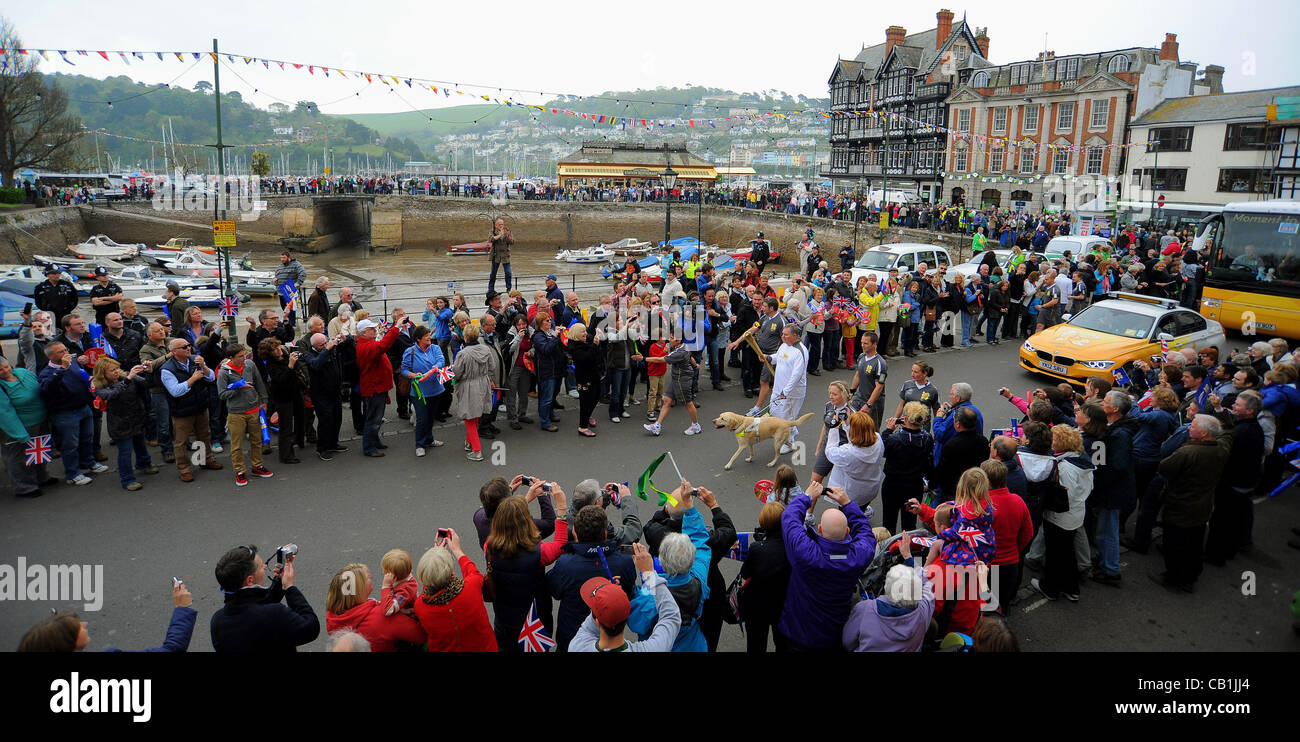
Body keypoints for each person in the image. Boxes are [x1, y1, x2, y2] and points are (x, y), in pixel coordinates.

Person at [778, 479, 875, 651]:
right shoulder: (858, 556)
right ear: (847, 531)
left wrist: (807, 496)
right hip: (834, 633)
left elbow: (789, 518)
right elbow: (866, 533)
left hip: (797, 632)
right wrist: (847, 503)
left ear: (820, 529)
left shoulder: (806, 552)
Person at [628, 486, 713, 652]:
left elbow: (636, 622)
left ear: (660, 560)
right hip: (694, 646)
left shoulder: (649, 596)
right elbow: (700, 541)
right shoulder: (699, 578)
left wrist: (646, 574)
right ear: (692, 557)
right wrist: (689, 506)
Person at [486, 486, 570, 652]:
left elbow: (509, 518)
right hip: (534, 622)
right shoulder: (540, 552)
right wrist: (561, 508)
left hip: (504, 619)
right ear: (526, 521)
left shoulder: (490, 548)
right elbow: (561, 544)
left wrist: (523, 501)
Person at [547, 504, 639, 652]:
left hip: (572, 640)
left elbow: (554, 591)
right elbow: (628, 594)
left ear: (575, 532)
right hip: (611, 640)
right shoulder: (625, 562)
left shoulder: (565, 565)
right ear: (605, 533)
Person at [1023, 425, 1096, 602]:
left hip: (1061, 517)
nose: (1050, 442)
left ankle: (1050, 588)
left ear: (1063, 443)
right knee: (1067, 553)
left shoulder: (1066, 467)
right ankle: (1072, 588)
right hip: (1075, 514)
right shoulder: (1081, 459)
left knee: (1055, 554)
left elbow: (1064, 495)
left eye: (1054, 440)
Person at [568, 544, 682, 653]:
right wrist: (649, 573)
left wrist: (608, 598)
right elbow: (671, 616)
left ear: (597, 622)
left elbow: (589, 628)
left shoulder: (578, 647)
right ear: (627, 615)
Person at [210, 544, 320, 652]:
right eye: (261, 565)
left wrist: (279, 582)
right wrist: (289, 588)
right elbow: (311, 628)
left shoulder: (217, 622)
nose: (264, 566)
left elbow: (256, 607)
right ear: (250, 580)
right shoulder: (275, 613)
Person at [841, 534, 933, 652]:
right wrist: (909, 557)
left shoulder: (865, 609)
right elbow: (927, 584)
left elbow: (848, 642)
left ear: (887, 586)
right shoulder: (923, 610)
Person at [1204, 391, 1265, 566]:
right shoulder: (1248, 426)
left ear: (1250, 411)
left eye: (1237, 405)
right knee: (1232, 519)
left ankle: (1216, 555)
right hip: (1242, 482)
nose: (1233, 407)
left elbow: (1229, 456)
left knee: (1223, 521)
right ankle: (1228, 549)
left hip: (1234, 484)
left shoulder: (1245, 431)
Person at [412, 529, 496, 652]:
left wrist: (436, 556)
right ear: (449, 571)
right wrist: (456, 550)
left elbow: (430, 587)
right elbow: (472, 571)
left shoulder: (421, 606)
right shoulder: (471, 587)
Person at [38, 342, 105, 486]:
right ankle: (72, 473)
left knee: (88, 438)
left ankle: (88, 462)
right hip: (65, 413)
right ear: (50, 356)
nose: (66, 353)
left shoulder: (74, 364)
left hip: (83, 407)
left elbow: (84, 378)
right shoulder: (46, 373)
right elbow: (48, 389)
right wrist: (62, 369)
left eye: (65, 349)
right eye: (60, 352)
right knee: (70, 445)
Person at [324, 562, 426, 652]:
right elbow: (421, 636)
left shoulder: (333, 617)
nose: (370, 576)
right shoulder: (382, 617)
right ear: (360, 590)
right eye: (367, 578)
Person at [160, 337, 222, 483]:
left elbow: (211, 378)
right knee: (181, 441)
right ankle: (184, 469)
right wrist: (192, 379)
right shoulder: (167, 369)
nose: (188, 348)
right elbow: (175, 391)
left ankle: (205, 460)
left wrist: (205, 368)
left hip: (200, 405)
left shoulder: (196, 360)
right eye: (184, 347)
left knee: (204, 435)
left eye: (188, 345)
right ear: (174, 352)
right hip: (181, 410)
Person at [92, 357, 158, 491]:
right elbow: (111, 395)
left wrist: (150, 372)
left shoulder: (127, 375)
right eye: (112, 370)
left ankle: (144, 464)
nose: (116, 372)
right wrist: (128, 379)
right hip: (119, 423)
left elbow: (148, 384)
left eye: (117, 368)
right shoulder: (99, 385)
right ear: (102, 372)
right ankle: (127, 479)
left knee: (140, 445)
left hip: (136, 417)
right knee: (125, 452)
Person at [738, 500, 791, 652]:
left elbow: (745, 573)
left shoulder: (757, 548)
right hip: (783, 605)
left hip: (757, 607)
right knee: (782, 644)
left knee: (756, 645)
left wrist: (761, 543)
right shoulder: (791, 545)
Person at [981, 459, 1032, 612]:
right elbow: (1028, 533)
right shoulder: (1018, 501)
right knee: (1003, 602)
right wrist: (1015, 550)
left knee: (986, 606)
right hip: (1010, 564)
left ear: (988, 483)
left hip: (987, 565)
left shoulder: (982, 505)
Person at [0, 357, 54, 497]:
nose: (5, 371)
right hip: (21, 427)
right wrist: (19, 433)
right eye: (0, 370)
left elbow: (40, 386)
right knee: (20, 458)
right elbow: (5, 413)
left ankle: (42, 477)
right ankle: (25, 487)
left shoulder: (22, 372)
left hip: (40, 421)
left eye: (6, 366)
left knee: (39, 452)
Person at [880, 402, 935, 533]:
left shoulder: (894, 439)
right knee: (910, 523)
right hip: (914, 486)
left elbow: (883, 451)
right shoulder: (927, 438)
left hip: (892, 486)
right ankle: (909, 548)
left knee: (889, 522)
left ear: (905, 419)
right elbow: (929, 463)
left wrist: (888, 430)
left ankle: (888, 549)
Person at [355, 318, 402, 457]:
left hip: (377, 386)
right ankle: (369, 447)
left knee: (376, 417)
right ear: (364, 332)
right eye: (372, 329)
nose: (375, 330)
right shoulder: (366, 346)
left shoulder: (366, 343)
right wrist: (396, 327)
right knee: (373, 419)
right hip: (375, 387)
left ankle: (374, 441)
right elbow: (384, 345)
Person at [399, 325, 447, 456]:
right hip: (419, 392)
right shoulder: (410, 351)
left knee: (431, 417)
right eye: (426, 336)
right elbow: (404, 370)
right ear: (418, 339)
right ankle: (419, 444)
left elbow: (441, 360)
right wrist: (412, 375)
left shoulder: (435, 348)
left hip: (436, 390)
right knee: (422, 418)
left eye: (429, 335)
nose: (429, 338)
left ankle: (429, 439)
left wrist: (434, 368)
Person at [643, 331, 702, 437]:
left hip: (682, 380)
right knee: (667, 401)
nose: (669, 340)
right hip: (676, 378)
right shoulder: (683, 346)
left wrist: (643, 358)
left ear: (678, 340)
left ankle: (695, 425)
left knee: (688, 403)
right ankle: (657, 426)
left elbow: (660, 359)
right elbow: (690, 357)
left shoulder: (680, 352)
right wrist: (696, 364)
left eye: (671, 338)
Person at [824, 411, 885, 513]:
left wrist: (834, 427)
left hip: (851, 495)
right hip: (870, 489)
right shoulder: (878, 439)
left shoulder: (847, 453)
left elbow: (830, 452)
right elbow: (858, 437)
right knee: (862, 508)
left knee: (850, 520)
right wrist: (849, 425)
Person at [450, 323, 494, 462]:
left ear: (466, 336)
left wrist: (452, 369)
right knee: (475, 416)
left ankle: (477, 451)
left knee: (469, 417)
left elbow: (456, 373)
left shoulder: (463, 353)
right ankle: (469, 443)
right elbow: (492, 367)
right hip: (483, 383)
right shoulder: (486, 349)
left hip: (469, 385)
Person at [261, 338, 306, 466]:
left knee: (300, 419)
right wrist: (290, 366)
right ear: (269, 353)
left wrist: (294, 362)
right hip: (283, 397)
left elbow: (296, 371)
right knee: (286, 426)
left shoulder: (285, 356)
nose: (279, 350)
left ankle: (298, 441)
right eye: (275, 349)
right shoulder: (270, 364)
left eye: (279, 347)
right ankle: (286, 455)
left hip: (296, 393)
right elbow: (282, 380)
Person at [767, 323, 809, 453]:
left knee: (787, 418)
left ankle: (789, 442)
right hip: (778, 388)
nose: (782, 336)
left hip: (792, 393)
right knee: (774, 412)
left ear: (795, 336)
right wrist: (768, 358)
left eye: (786, 334)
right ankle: (793, 431)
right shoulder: (784, 345)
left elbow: (797, 375)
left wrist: (786, 391)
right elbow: (778, 357)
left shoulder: (800, 351)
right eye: (783, 334)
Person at [934, 406, 989, 501]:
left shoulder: (951, 445)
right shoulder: (984, 442)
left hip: (954, 492)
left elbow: (942, 472)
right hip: (976, 489)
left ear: (958, 424)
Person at [849, 331, 887, 429]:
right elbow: (858, 375)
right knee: (853, 424)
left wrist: (868, 405)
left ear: (874, 344)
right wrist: (851, 392)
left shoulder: (880, 363)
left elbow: (879, 387)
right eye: (862, 342)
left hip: (873, 403)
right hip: (859, 398)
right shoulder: (861, 356)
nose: (862, 345)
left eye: (866, 343)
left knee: (872, 430)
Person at [891, 361, 939, 430]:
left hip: (922, 429)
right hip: (906, 425)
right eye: (912, 371)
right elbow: (901, 405)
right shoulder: (907, 384)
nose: (912, 374)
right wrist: (894, 421)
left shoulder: (933, 390)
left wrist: (936, 429)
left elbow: (936, 412)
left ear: (924, 373)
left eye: (915, 372)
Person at [274, 251, 308, 329]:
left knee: (291, 310)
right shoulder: (280, 267)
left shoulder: (296, 264)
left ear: (289, 258)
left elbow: (303, 274)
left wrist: (297, 285)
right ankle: (287, 324)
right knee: (284, 309)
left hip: (290, 292)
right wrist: (275, 282)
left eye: (284, 258)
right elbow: (276, 278)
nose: (282, 259)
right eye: (281, 258)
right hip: (281, 292)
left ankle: (292, 325)